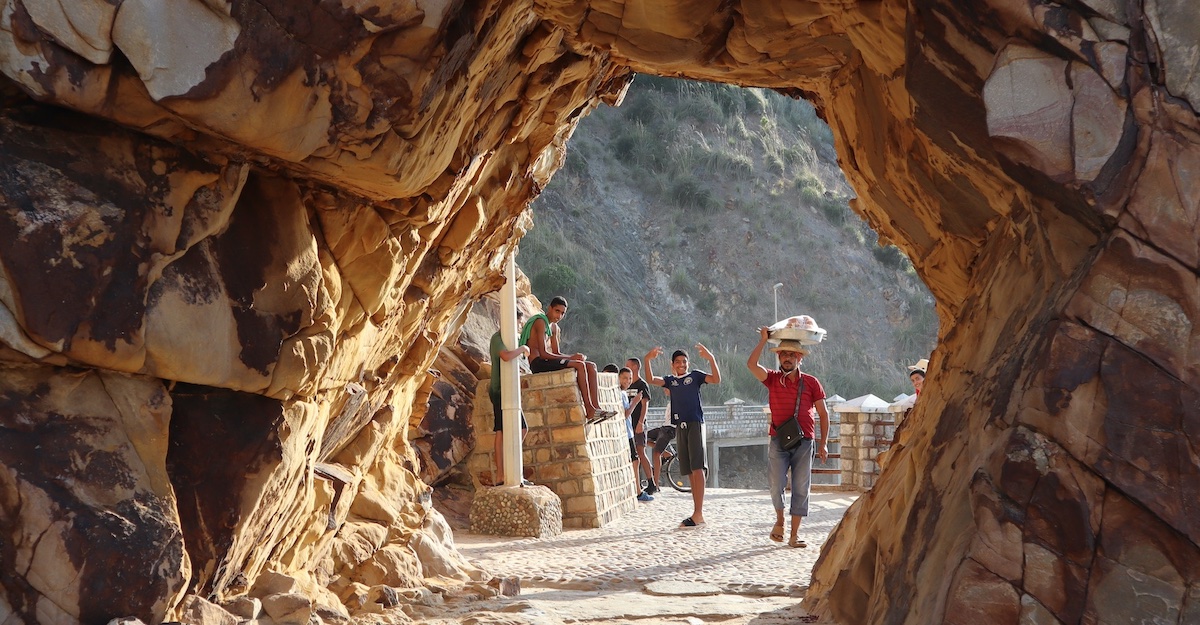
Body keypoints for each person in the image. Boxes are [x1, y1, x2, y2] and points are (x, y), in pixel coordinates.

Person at [747, 328, 829, 548]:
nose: (787, 358)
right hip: (778, 439)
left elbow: (823, 413)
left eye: (791, 355)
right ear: (778, 357)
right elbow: (751, 365)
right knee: (776, 484)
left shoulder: (812, 383)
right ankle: (780, 521)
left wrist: (823, 444)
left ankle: (794, 535)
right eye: (783, 354)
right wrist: (763, 341)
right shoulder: (772, 379)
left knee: (801, 488)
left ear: (799, 358)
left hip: (805, 441)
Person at [644, 344, 721, 527]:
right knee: (688, 471)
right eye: (678, 362)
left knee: (697, 468)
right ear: (672, 364)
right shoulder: (671, 381)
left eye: (684, 361)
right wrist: (648, 359)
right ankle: (696, 514)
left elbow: (716, 379)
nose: (681, 364)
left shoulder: (695, 376)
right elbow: (651, 379)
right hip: (681, 427)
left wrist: (710, 358)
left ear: (688, 363)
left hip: (695, 424)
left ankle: (699, 513)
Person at [520, 296, 614, 422]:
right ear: (550, 308)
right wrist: (572, 357)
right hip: (538, 363)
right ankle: (589, 409)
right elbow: (543, 353)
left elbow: (556, 352)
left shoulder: (554, 328)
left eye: (562, 313)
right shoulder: (540, 322)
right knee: (579, 365)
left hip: (547, 361)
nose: (559, 316)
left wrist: (573, 357)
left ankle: (596, 408)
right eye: (557, 311)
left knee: (591, 366)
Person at [489, 329, 530, 486]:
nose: (519, 327)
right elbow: (505, 356)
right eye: (518, 323)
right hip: (500, 390)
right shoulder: (498, 338)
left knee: (504, 431)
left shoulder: (508, 338)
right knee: (515, 430)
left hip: (506, 390)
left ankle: (508, 472)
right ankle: (503, 474)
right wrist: (522, 349)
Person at [618, 367, 652, 501]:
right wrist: (635, 402)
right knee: (635, 460)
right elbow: (625, 414)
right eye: (625, 378)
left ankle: (637, 489)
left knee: (635, 459)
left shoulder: (624, 393)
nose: (628, 381)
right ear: (619, 378)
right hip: (626, 433)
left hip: (629, 432)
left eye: (630, 378)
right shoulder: (620, 394)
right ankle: (637, 491)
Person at [626, 357, 656, 496]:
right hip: (628, 425)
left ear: (636, 367)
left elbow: (645, 405)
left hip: (638, 424)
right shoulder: (626, 385)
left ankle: (651, 482)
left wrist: (640, 423)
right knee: (634, 454)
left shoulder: (641, 384)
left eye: (629, 366)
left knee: (641, 453)